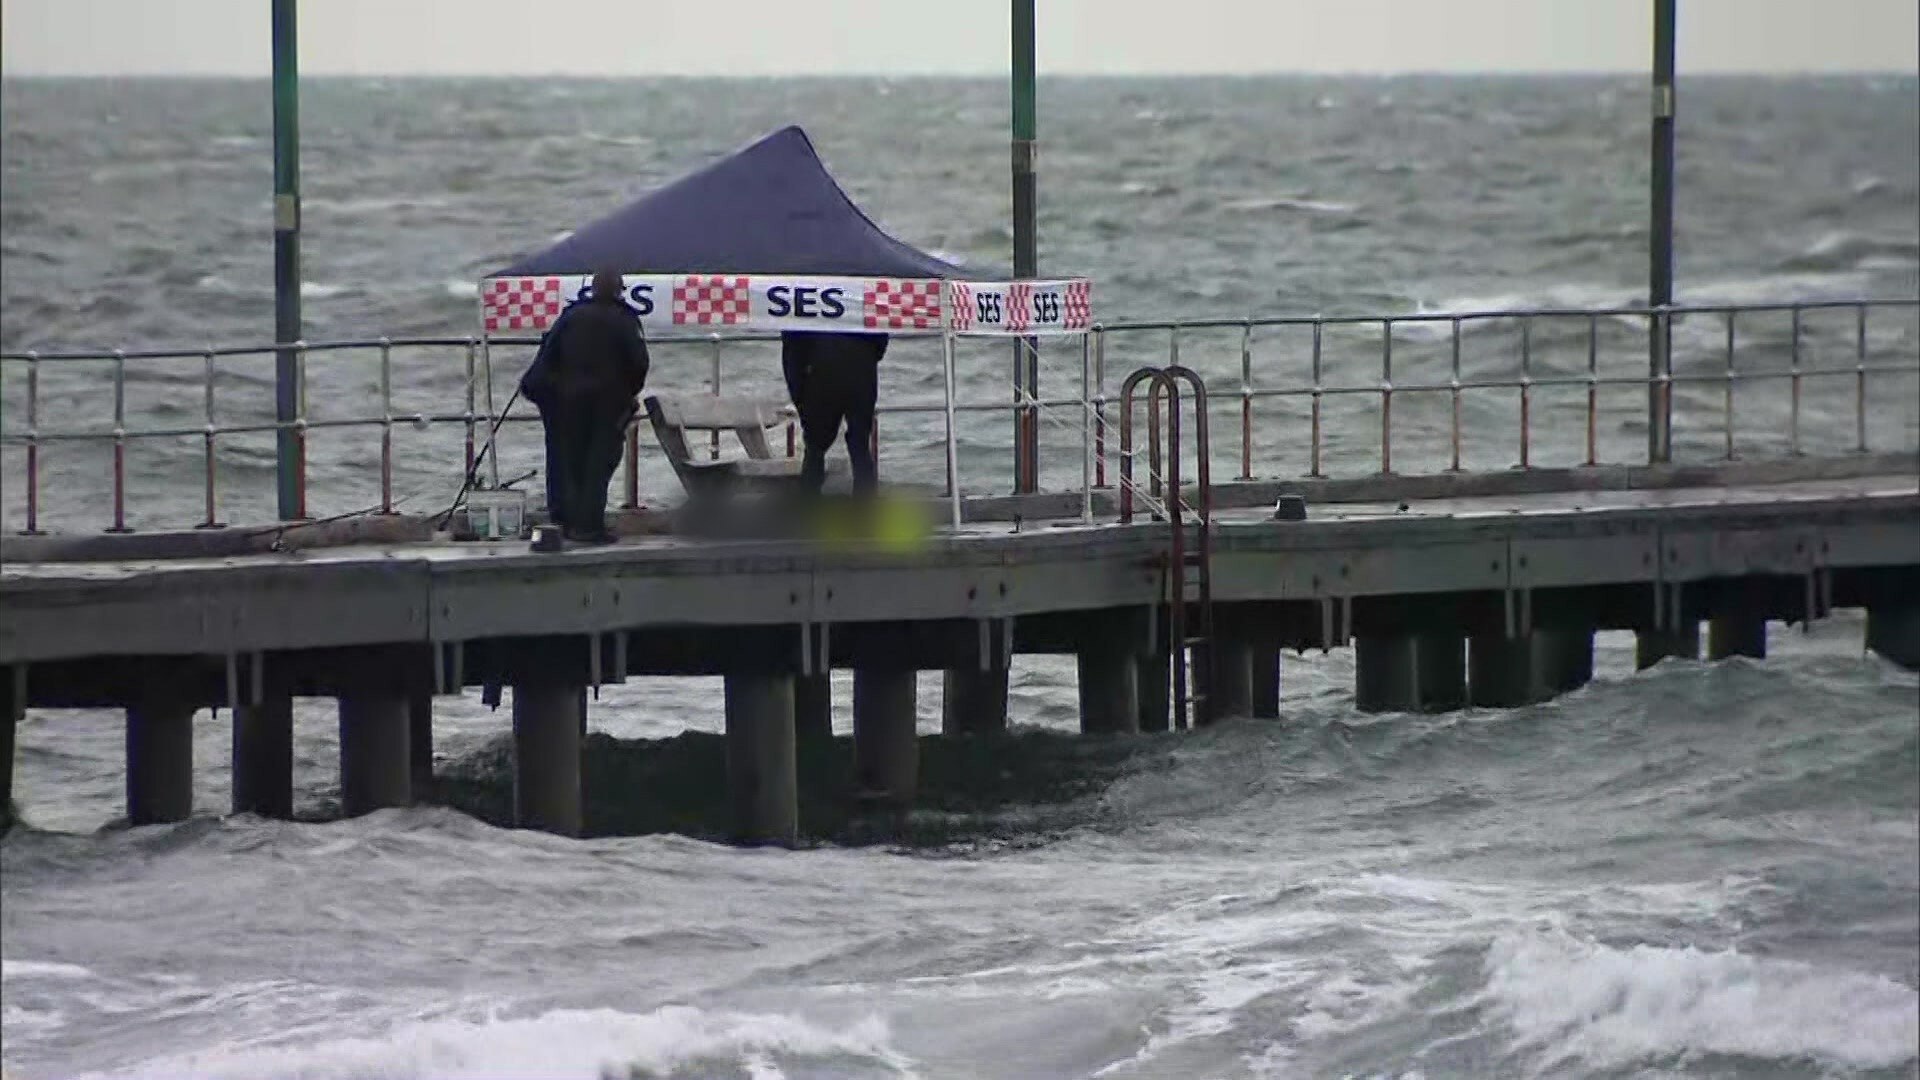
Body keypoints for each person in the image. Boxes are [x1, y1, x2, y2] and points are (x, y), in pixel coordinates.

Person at [520, 268, 649, 543]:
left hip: (565, 401)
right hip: (607, 403)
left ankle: (562, 522)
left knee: (566, 461)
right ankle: (589, 526)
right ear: (618, 290)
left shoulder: (570, 315)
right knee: (598, 464)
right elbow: (639, 364)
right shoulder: (625, 319)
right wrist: (627, 395)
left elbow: (548, 354)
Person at [783, 330, 886, 497]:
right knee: (860, 443)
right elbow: (880, 337)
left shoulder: (798, 310)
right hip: (861, 365)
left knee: (815, 445)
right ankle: (866, 507)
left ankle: (809, 506)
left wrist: (799, 397)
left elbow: (792, 351)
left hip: (818, 369)